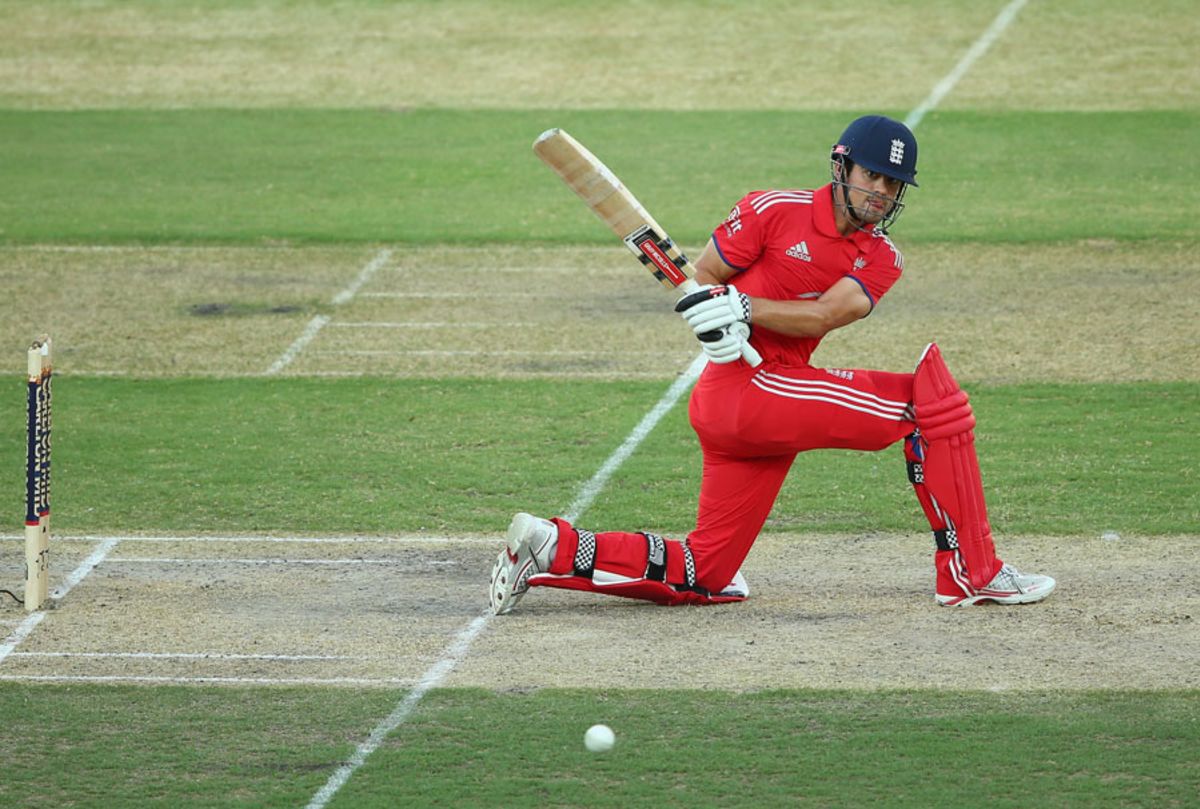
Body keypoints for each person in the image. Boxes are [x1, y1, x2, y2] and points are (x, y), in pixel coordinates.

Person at [490, 115, 1055, 614]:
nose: (881, 192)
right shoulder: (771, 210)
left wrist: (742, 307)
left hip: (765, 407)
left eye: (893, 183)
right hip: (744, 389)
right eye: (872, 175)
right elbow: (703, 281)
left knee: (706, 572)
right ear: (841, 166)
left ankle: (550, 545)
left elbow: (827, 315)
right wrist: (713, 319)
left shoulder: (882, 257)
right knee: (928, 404)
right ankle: (972, 573)